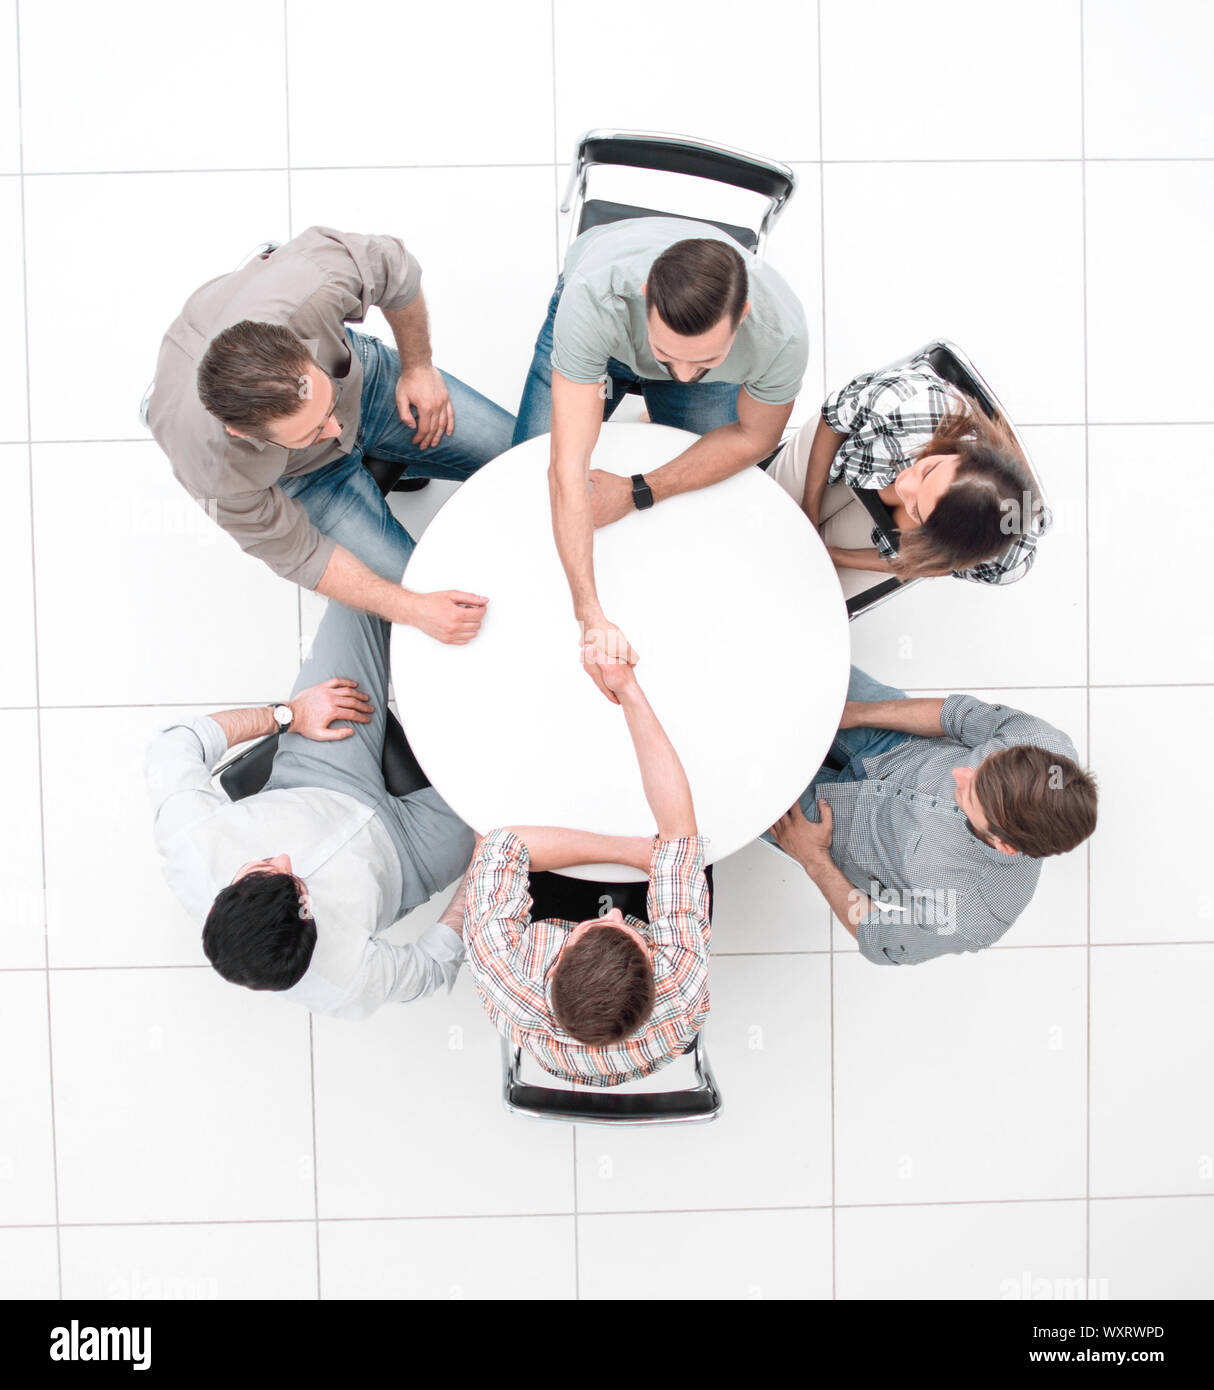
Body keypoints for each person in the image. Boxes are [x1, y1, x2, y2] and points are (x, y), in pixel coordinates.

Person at [148, 225, 515, 644]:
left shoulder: (312, 283)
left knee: (533, 462)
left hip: (369, 385)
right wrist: (413, 608)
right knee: (436, 604)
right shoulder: (214, 467)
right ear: (241, 433)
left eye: (324, 408)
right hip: (308, 479)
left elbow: (396, 269)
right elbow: (303, 554)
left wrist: (417, 367)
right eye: (312, 430)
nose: (336, 430)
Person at [145, 594, 475, 1020]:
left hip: (318, 771)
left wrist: (288, 715)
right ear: (310, 931)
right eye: (296, 883)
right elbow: (431, 966)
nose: (284, 857)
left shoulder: (190, 845)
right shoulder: (341, 985)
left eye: (264, 864)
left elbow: (173, 744)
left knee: (359, 590)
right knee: (525, 800)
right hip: (409, 858)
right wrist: (482, 872)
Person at [515, 218, 808, 699]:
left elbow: (755, 438)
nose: (684, 374)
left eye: (704, 361)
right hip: (601, 340)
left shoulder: (783, 335)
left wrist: (638, 490)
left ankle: (664, 390)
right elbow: (566, 470)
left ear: (744, 316)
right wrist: (589, 614)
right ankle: (635, 378)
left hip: (672, 346)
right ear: (647, 295)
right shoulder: (594, 297)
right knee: (528, 485)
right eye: (666, 355)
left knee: (707, 498)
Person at [463, 650, 710, 1086]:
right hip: (655, 1005)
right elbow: (678, 836)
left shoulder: (503, 970)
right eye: (628, 929)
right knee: (695, 852)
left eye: (594, 927)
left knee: (499, 824)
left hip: (547, 923)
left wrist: (625, 852)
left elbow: (501, 842)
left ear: (554, 966)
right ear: (654, 970)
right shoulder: (681, 982)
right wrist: (629, 690)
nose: (612, 914)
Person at [767, 668, 1097, 965]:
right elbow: (955, 716)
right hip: (892, 739)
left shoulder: (977, 912)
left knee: (737, 779)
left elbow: (877, 936)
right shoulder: (1041, 744)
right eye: (980, 765)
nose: (959, 774)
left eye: (971, 794)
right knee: (793, 670)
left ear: (1003, 844)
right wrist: (853, 713)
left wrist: (814, 859)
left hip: (833, 834)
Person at [767, 348, 1048, 585]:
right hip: (842, 454)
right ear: (964, 452)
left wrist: (834, 556)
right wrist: (810, 508)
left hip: (883, 535)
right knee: (767, 512)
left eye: (917, 509)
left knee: (807, 583)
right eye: (929, 470)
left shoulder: (1000, 562)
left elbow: (935, 564)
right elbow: (834, 421)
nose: (904, 485)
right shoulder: (905, 402)